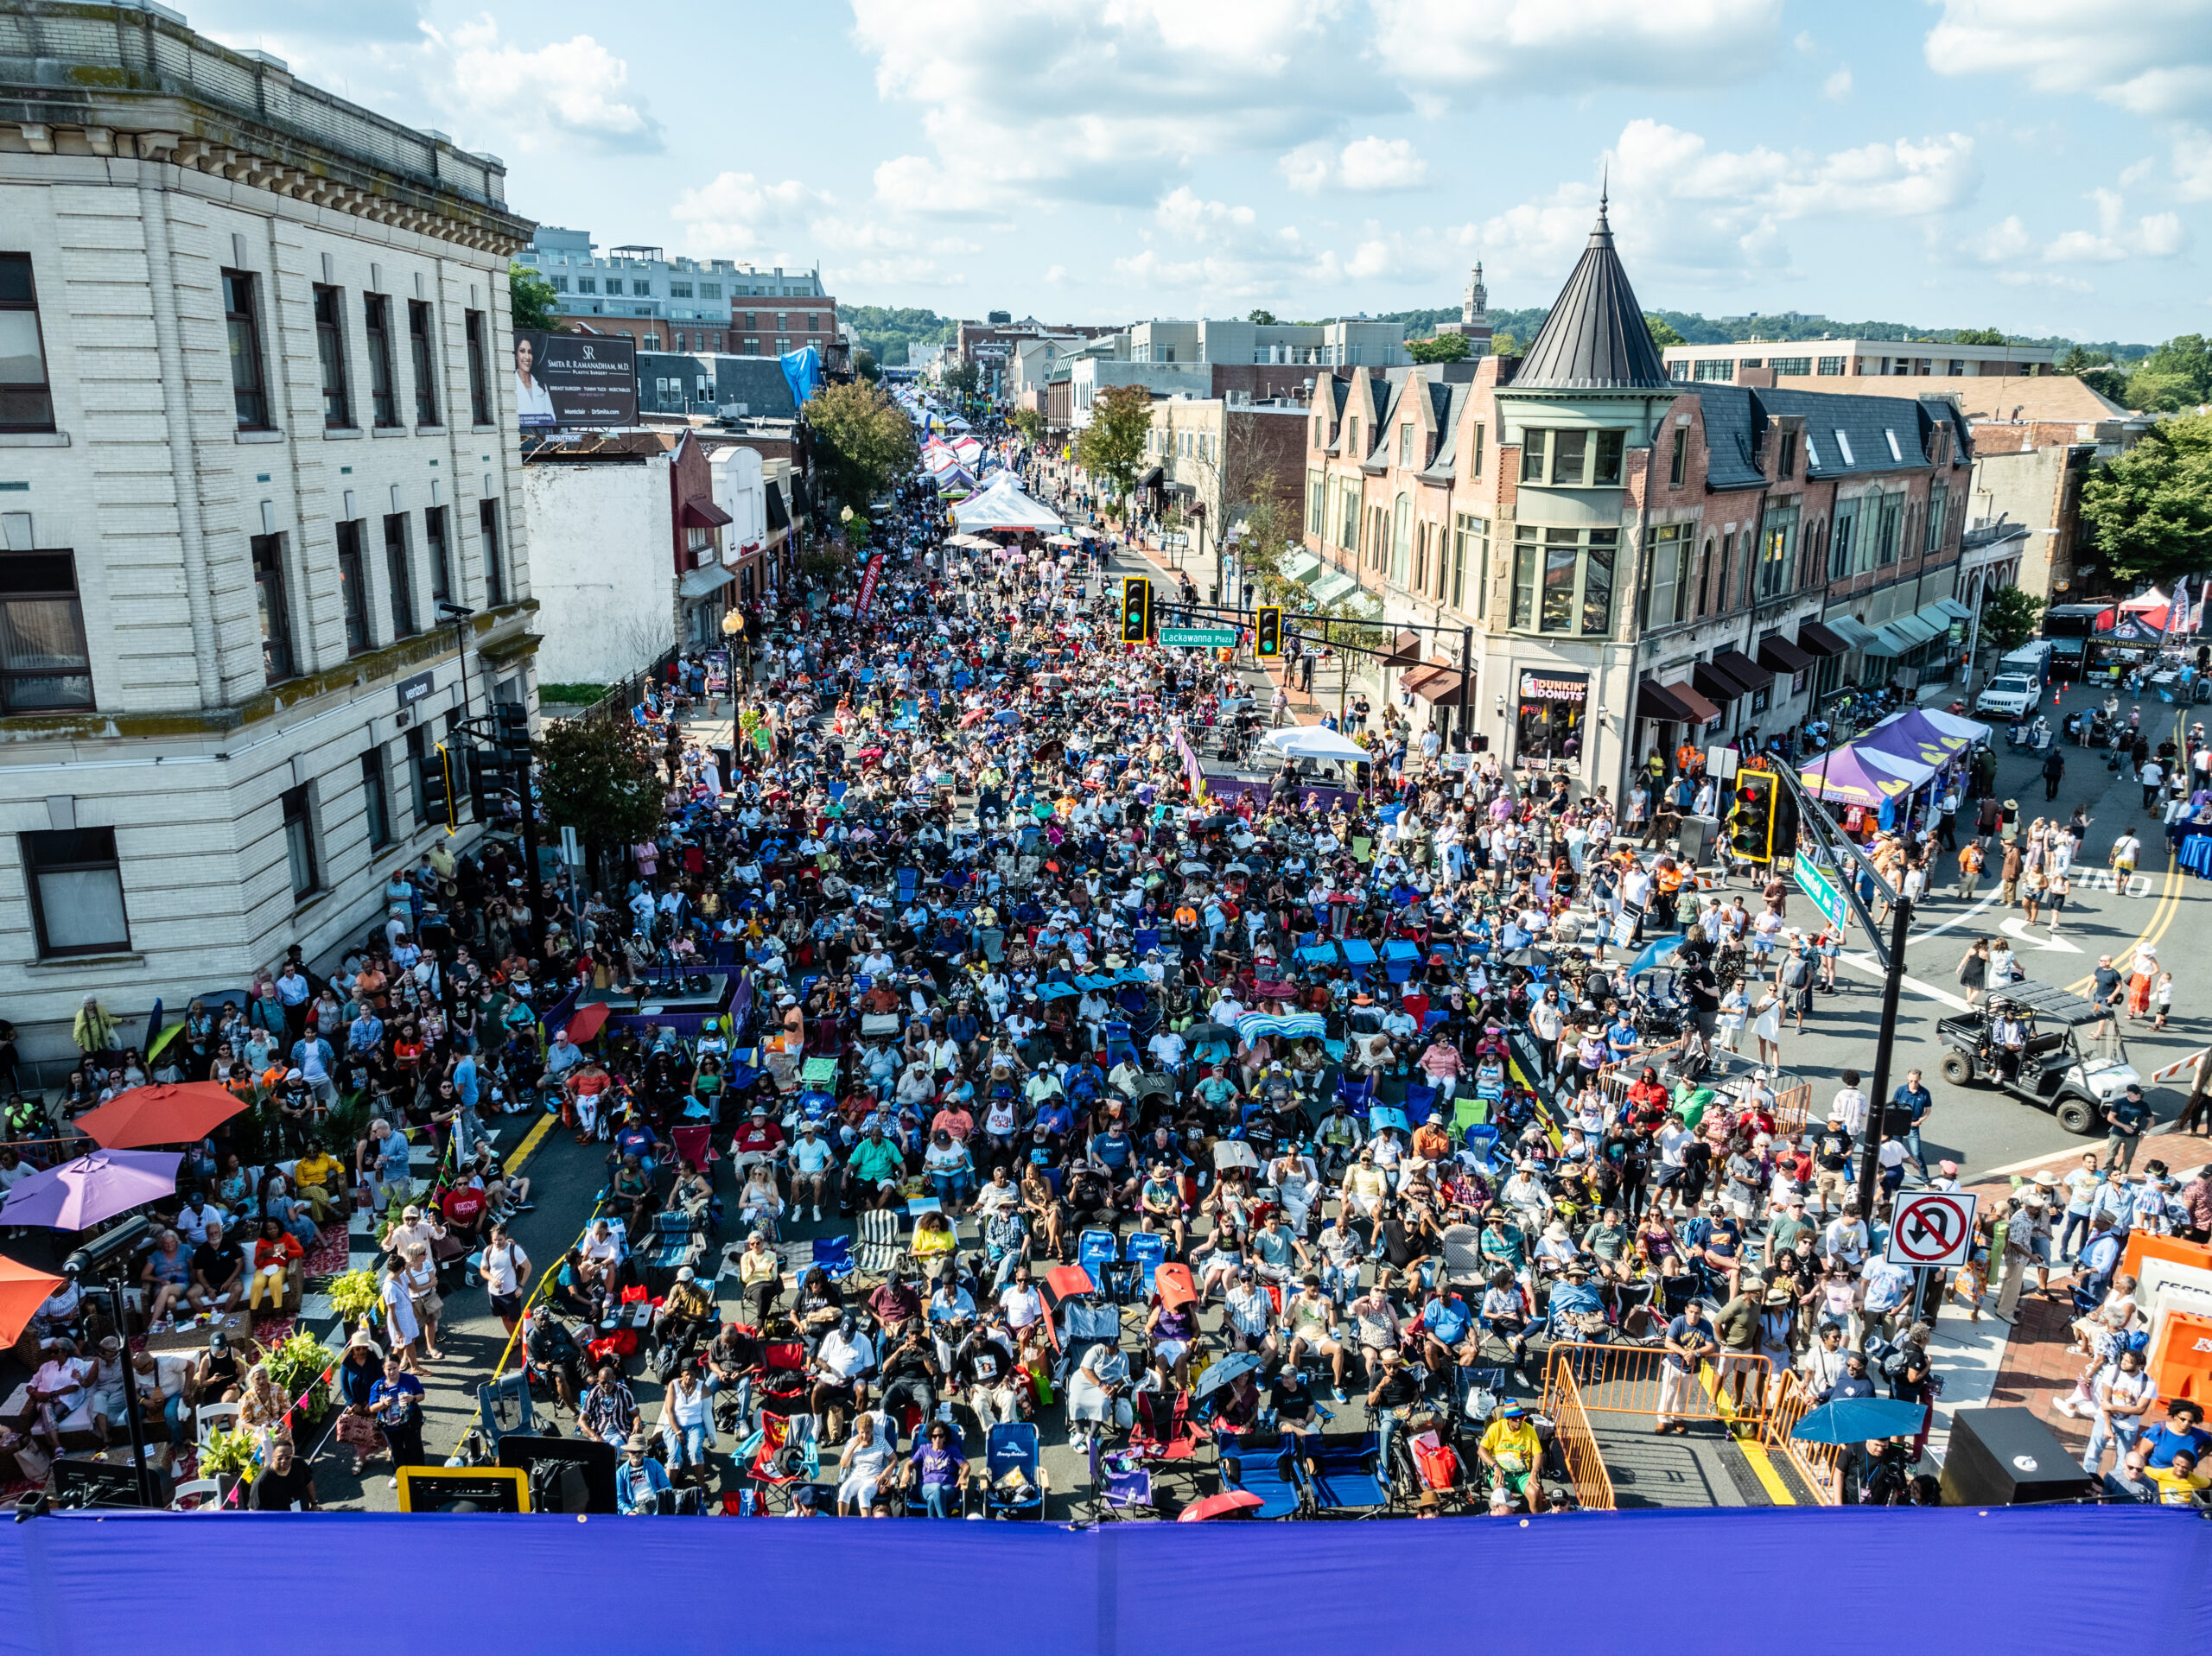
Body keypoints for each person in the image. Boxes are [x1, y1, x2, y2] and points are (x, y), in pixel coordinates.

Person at [366, 1354, 426, 1488]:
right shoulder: (378, 1386)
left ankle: (420, 1474)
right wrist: (383, 1404)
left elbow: (421, 1395)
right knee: (396, 1451)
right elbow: (372, 1408)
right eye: (389, 1369)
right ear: (383, 1369)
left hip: (410, 1422)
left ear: (399, 1366)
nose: (392, 1372)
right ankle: (399, 1474)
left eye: (394, 1368)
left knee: (414, 1448)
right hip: (390, 1426)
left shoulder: (410, 1379)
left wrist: (413, 1398)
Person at [903, 1418, 969, 1517]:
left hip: (948, 1488)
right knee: (937, 1487)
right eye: (934, 1436)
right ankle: (943, 1522)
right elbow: (908, 1464)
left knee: (932, 1498)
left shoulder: (952, 1450)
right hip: (926, 1487)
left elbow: (966, 1465)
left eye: (940, 1436)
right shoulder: (924, 1449)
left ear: (945, 1437)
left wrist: (963, 1476)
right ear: (930, 1437)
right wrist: (907, 1474)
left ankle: (932, 1527)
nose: (938, 1439)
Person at [250, 1434, 320, 1510]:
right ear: (273, 1456)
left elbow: (309, 1482)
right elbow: (253, 1509)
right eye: (279, 1458)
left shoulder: (299, 1463)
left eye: (288, 1457)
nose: (284, 1461)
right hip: (280, 1520)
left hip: (303, 1514)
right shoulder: (262, 1481)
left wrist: (314, 1504)